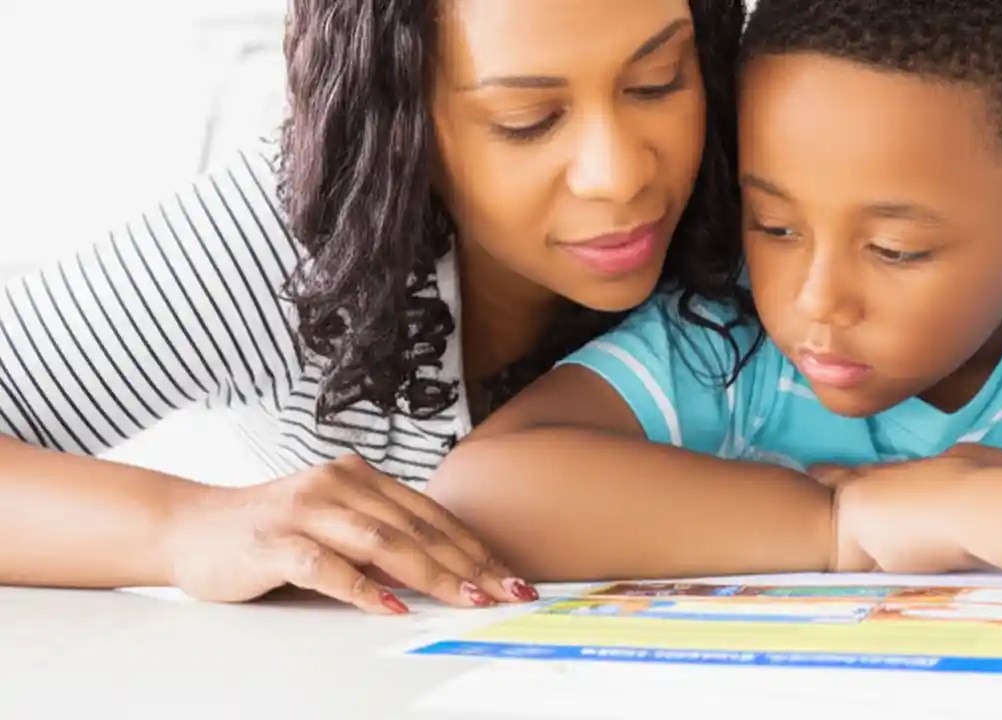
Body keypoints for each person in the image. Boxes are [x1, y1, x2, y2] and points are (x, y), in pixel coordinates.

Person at [432, 0, 1002, 597]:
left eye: (894, 249)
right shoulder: (730, 338)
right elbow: (485, 492)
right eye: (774, 226)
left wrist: (960, 508)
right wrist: (841, 524)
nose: (816, 299)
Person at [0, 0, 746, 613]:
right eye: (526, 119)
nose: (618, 177)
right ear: (400, 123)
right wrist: (181, 525)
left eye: (656, 83)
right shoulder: (294, 234)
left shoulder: (774, 168)